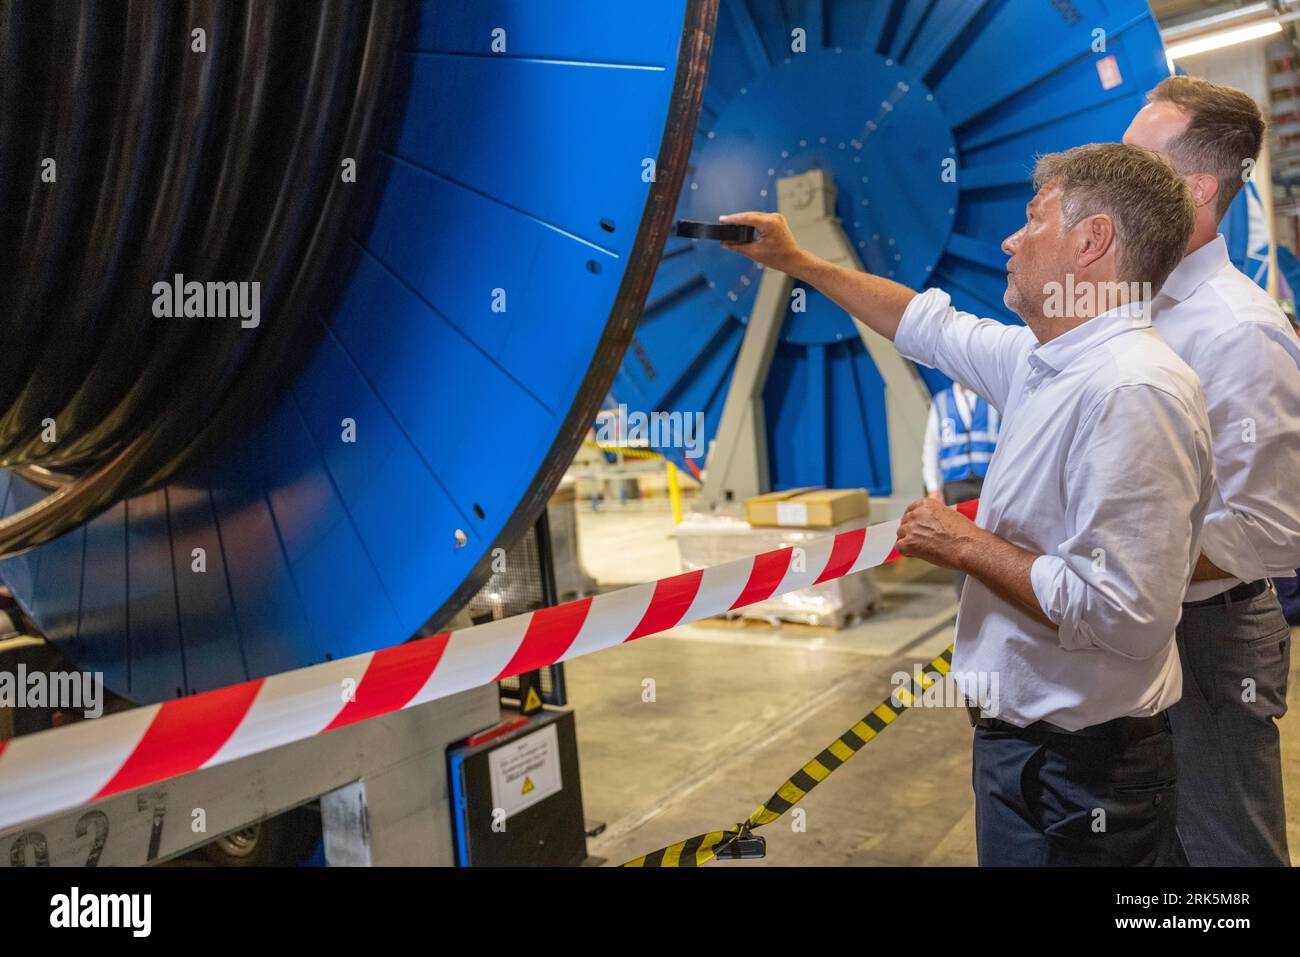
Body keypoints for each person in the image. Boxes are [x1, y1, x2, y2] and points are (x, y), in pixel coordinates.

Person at [720, 142, 1213, 865]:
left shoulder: (1132, 390)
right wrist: (800, 261)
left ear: (1092, 240)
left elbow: (1123, 615)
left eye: (1033, 218)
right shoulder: (1046, 361)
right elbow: (924, 324)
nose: (1011, 238)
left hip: (1085, 775)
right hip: (1026, 752)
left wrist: (964, 544)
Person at [1123, 75, 1300, 866]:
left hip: (1211, 629)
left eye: (1133, 163)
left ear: (1193, 188)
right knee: (1162, 838)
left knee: (1227, 845)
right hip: (1151, 620)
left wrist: (1124, 573)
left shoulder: (1238, 330)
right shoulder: (1138, 306)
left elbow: (1275, 529)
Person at [921, 380, 1001, 595]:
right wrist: (933, 488)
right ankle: (964, 600)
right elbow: (931, 447)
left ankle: (994, 596)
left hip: (990, 482)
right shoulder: (941, 402)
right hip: (955, 485)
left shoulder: (992, 396)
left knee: (994, 541)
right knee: (958, 543)